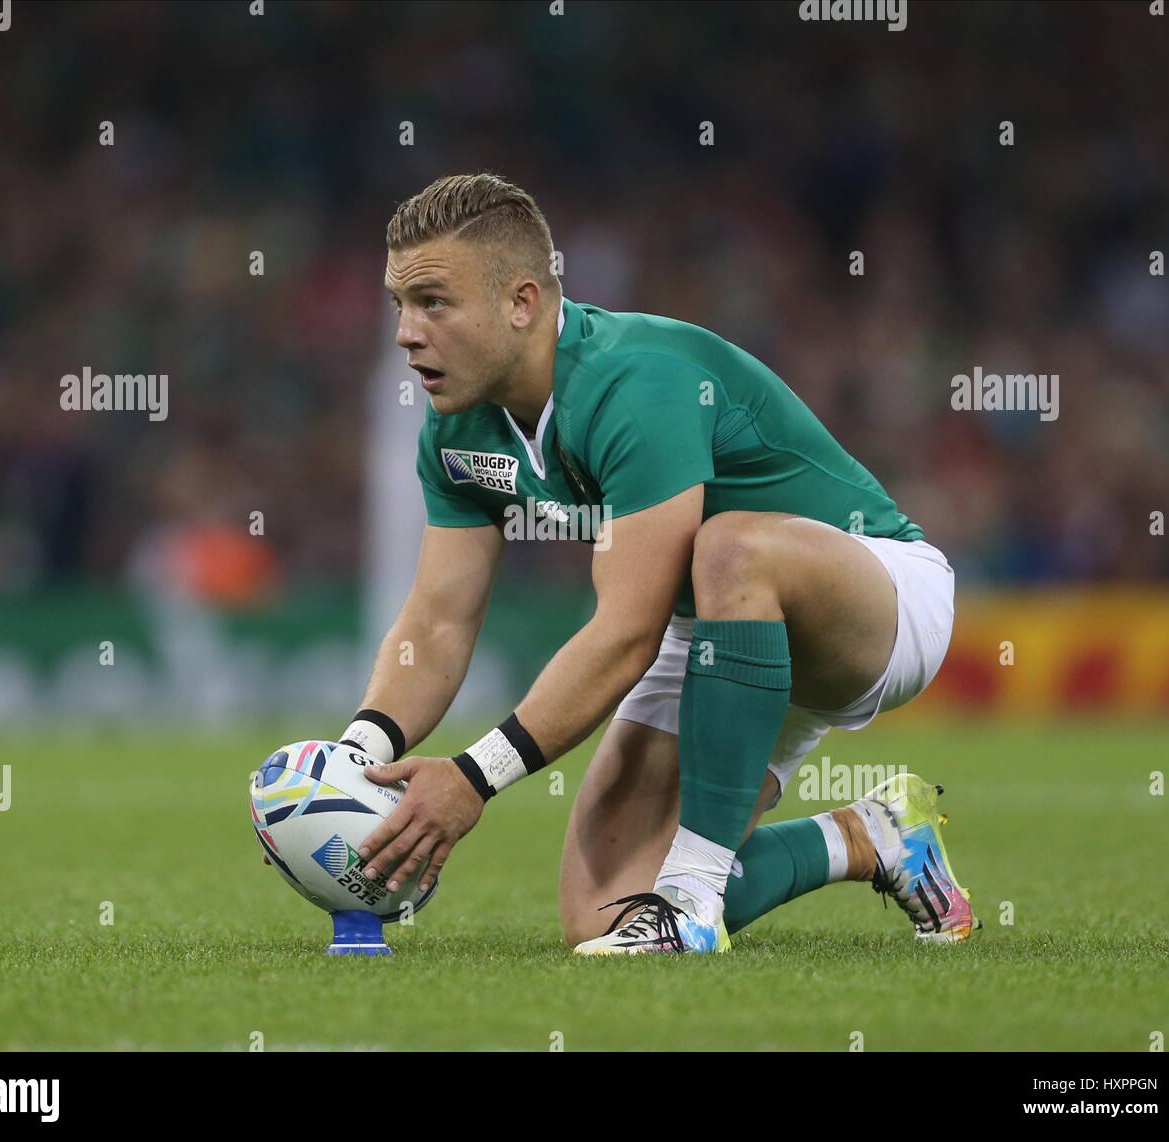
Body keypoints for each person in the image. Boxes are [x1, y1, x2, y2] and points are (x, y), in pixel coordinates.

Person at [339, 172, 978, 954]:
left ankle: (692, 904)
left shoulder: (634, 381)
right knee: (602, 914)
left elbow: (628, 628)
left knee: (730, 545)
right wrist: (354, 757)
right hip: (721, 630)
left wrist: (473, 778)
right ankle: (870, 836)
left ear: (522, 302)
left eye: (433, 302)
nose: (407, 331)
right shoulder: (457, 431)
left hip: (878, 597)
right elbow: (437, 622)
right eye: (399, 303)